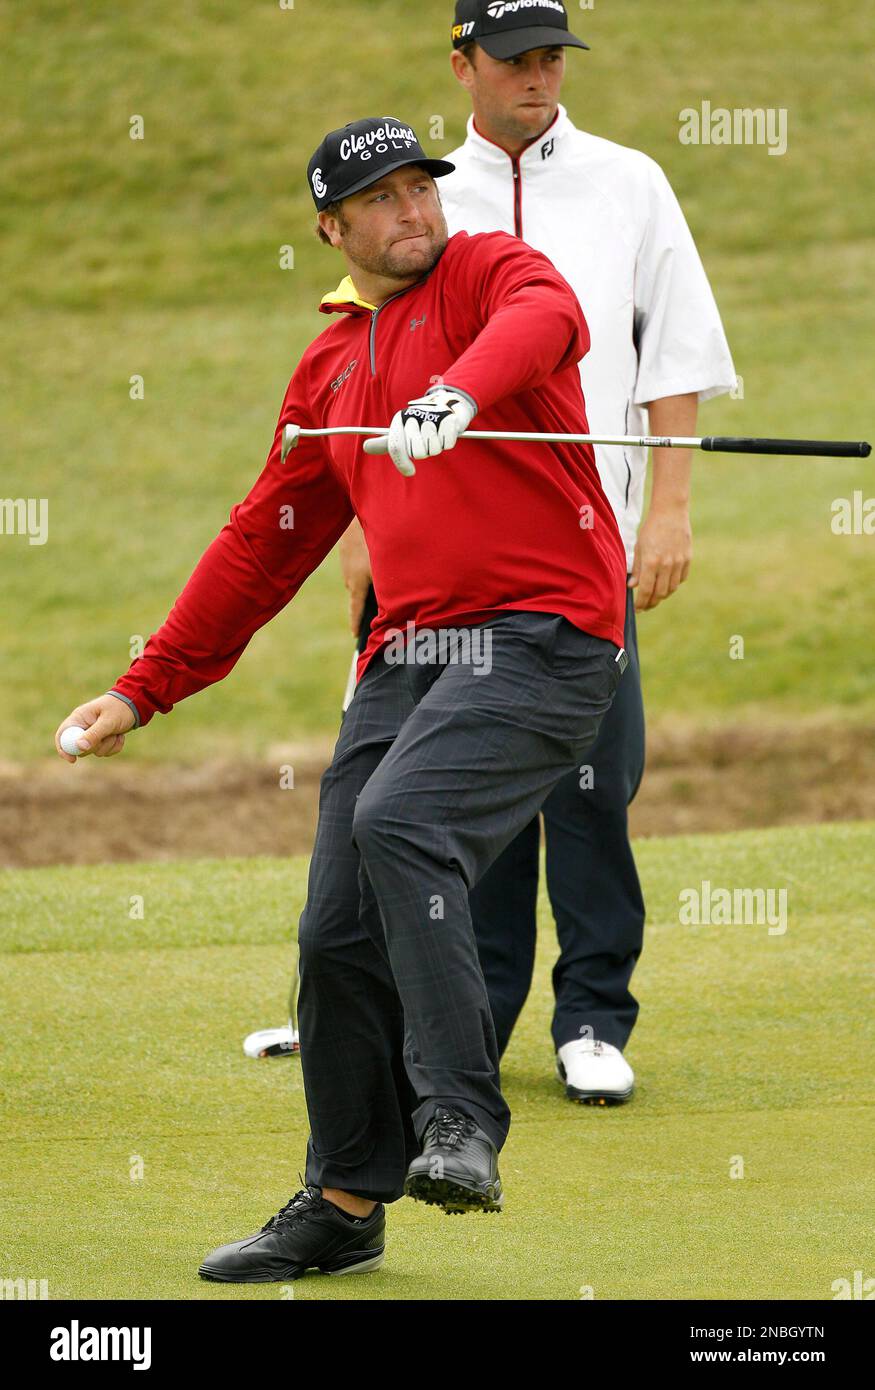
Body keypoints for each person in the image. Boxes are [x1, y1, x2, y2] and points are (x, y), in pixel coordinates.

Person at [55, 117, 628, 1281]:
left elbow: (546, 322)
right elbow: (262, 545)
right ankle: (346, 1198)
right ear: (332, 228)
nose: (414, 210)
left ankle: (460, 1118)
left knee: (398, 823)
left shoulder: (488, 273)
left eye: (423, 187)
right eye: (382, 199)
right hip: (407, 653)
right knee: (333, 928)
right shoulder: (328, 367)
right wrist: (142, 686)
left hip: (543, 632)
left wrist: (458, 394)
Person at [339, 0, 736, 1104]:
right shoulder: (422, 201)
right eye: (514, 58)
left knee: (596, 779)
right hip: (454, 565)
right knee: (473, 796)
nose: (538, 75)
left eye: (552, 56)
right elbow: (361, 371)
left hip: (586, 546)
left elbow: (672, 355)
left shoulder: (626, 181)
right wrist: (370, 536)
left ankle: (594, 1014)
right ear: (460, 65)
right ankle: (482, 1008)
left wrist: (669, 510)